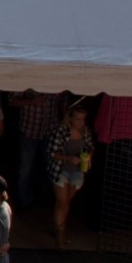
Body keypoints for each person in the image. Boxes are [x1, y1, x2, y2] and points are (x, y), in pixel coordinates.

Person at [47, 104, 95, 248]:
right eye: (78, 119)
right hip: (61, 170)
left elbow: (90, 147)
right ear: (71, 118)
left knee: (67, 202)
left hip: (78, 171)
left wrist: (87, 156)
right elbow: (52, 153)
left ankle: (59, 230)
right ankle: (59, 238)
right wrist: (68, 158)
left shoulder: (85, 132)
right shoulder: (60, 132)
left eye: (83, 120)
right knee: (62, 202)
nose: (81, 123)